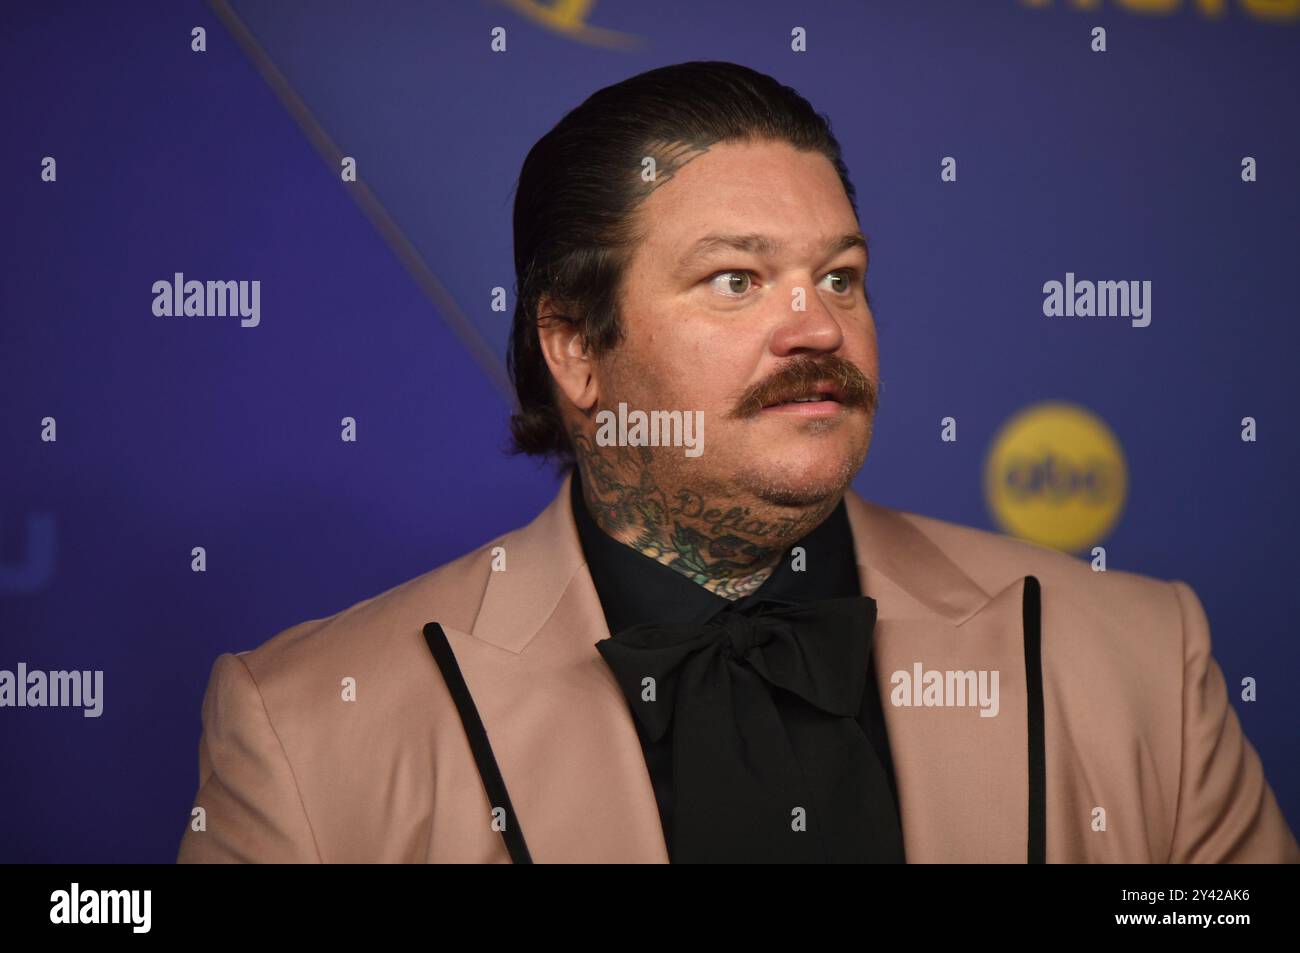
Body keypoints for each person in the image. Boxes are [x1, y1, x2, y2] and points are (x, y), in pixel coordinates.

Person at [177, 61, 1298, 863]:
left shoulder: (1142, 660)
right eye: (736, 279)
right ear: (574, 345)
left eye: (841, 276)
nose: (818, 326)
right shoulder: (310, 730)